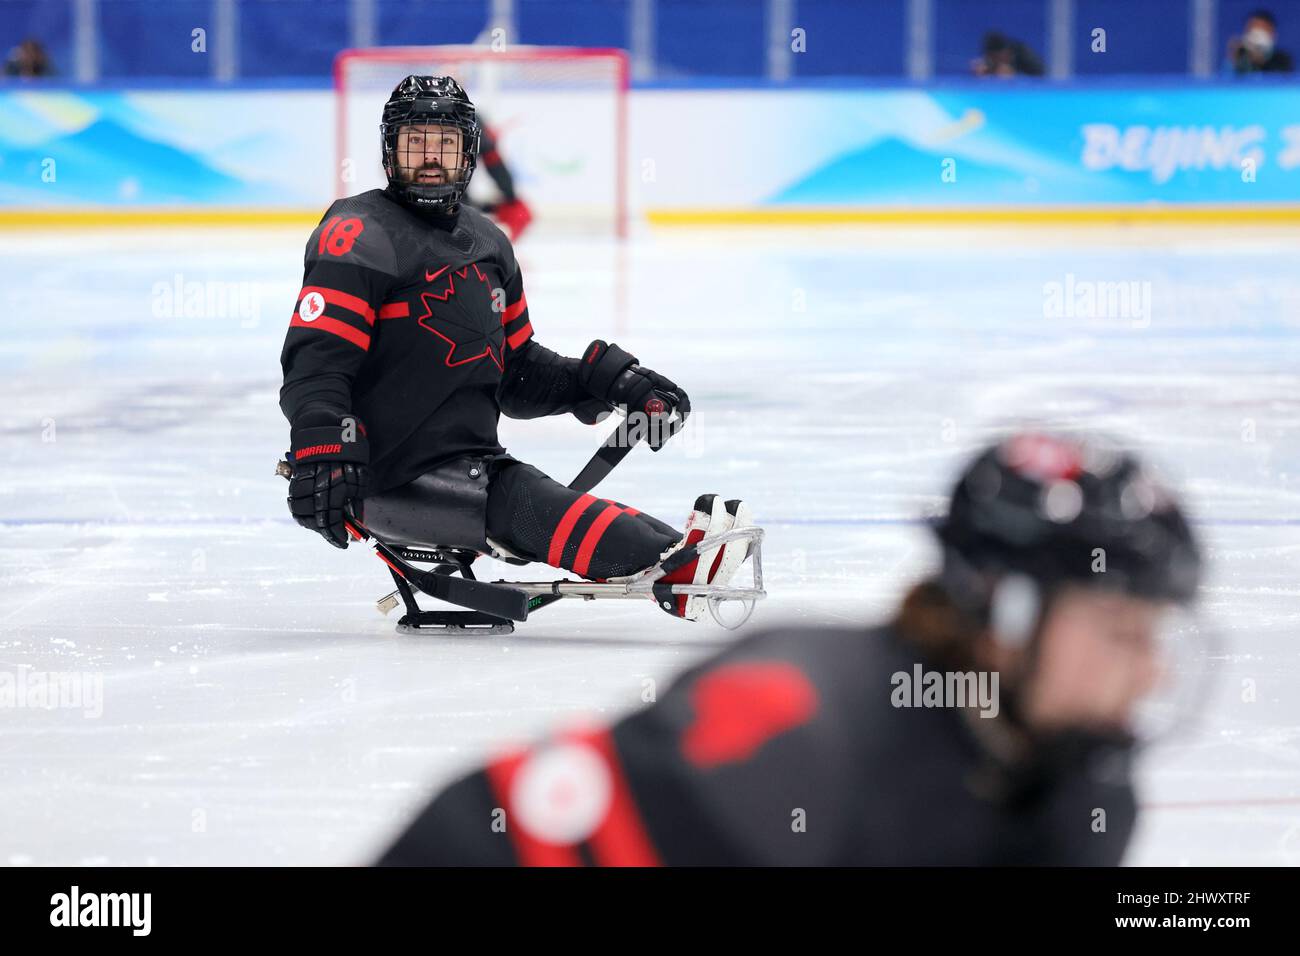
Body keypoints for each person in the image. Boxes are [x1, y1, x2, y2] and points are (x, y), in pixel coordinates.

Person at [377, 432, 1203, 865]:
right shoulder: (795, 723)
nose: (1152, 669)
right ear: (1005, 616)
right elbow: (477, 837)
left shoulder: (1079, 777)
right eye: (1120, 631)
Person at [279, 76, 751, 621]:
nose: (431, 159)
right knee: (527, 499)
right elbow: (315, 364)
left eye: (446, 144)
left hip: (470, 463)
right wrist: (324, 451)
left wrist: (607, 381)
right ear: (390, 151)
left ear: (471, 152)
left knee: (534, 496)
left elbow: (517, 372)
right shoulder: (358, 231)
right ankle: (681, 570)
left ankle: (678, 555)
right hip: (387, 472)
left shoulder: (488, 240)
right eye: (416, 142)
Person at [1226, 9, 1294, 75]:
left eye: (1261, 30)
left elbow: (1282, 80)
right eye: (1252, 29)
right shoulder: (1240, 58)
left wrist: (1260, 59)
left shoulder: (1282, 60)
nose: (1256, 35)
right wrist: (1234, 58)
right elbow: (1226, 80)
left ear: (1273, 34)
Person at [971, 31, 1044, 78]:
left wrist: (1015, 75)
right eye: (992, 58)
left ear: (1006, 52)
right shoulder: (989, 61)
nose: (997, 61)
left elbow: (1040, 74)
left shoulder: (1024, 55)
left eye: (998, 57)